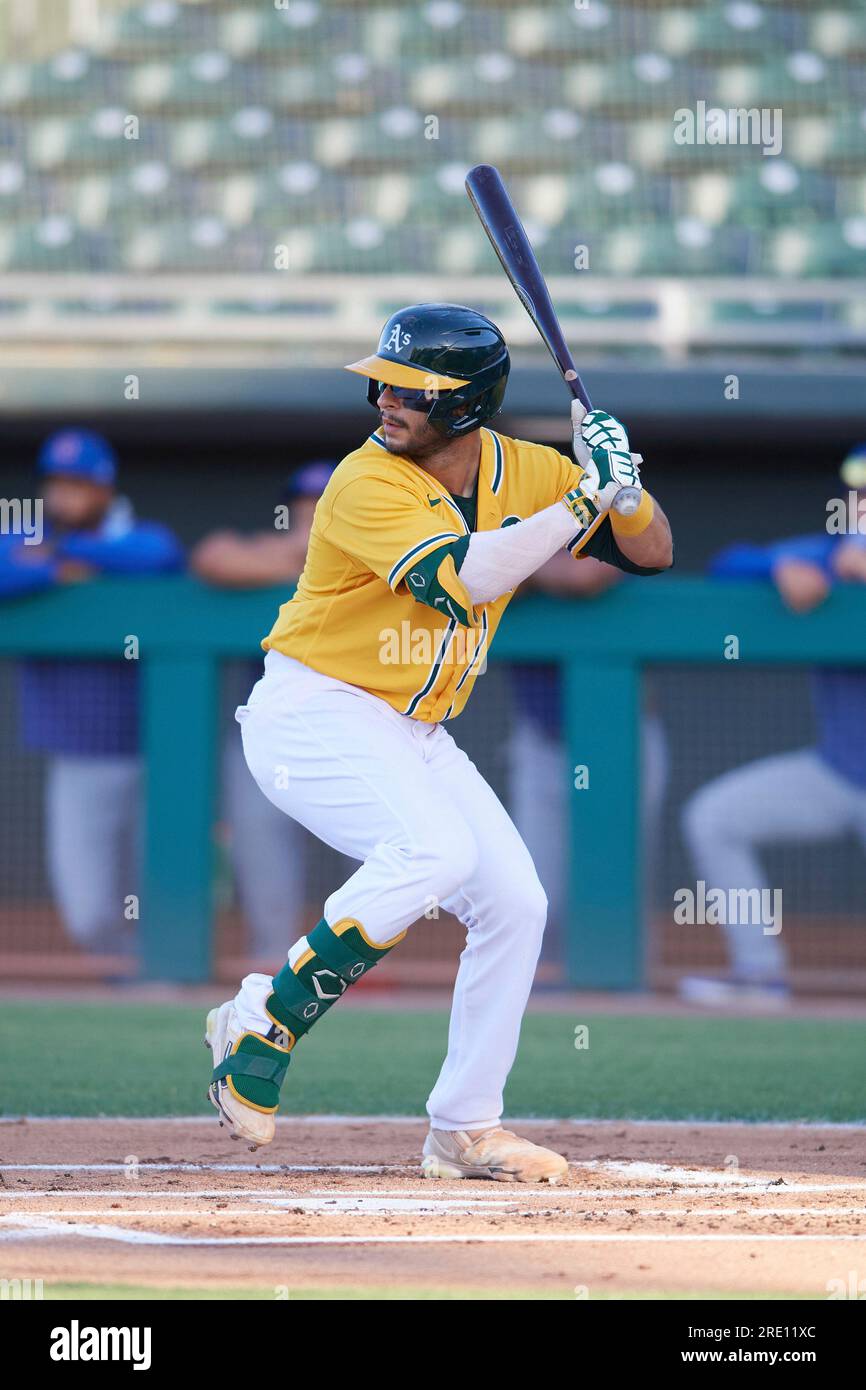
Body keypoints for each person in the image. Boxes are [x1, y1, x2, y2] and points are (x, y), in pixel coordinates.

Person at [205, 303, 672, 1182]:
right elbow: (467, 576)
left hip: (414, 730)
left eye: (414, 389)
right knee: (434, 852)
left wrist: (626, 487)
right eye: (384, 381)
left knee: (515, 904)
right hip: (316, 712)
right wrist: (583, 492)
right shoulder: (362, 480)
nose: (387, 398)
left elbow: (652, 553)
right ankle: (267, 1013)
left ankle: (464, 1126)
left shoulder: (522, 468)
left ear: (467, 404)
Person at [680, 444, 866, 1007]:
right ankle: (760, 975)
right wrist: (780, 567)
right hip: (840, 773)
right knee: (716, 817)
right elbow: (727, 562)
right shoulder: (827, 553)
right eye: (858, 494)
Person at [0, 428, 183, 962]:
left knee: (162, 896)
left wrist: (63, 556)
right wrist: (60, 565)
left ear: (104, 489)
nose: (66, 496)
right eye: (57, 484)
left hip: (158, 753)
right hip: (78, 754)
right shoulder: (26, 536)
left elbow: (158, 554)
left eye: (79, 484)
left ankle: (162, 991)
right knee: (89, 911)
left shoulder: (136, 535)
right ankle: (125, 985)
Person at [191, 462, 339, 960]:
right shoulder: (265, 549)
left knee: (372, 863)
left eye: (323, 501)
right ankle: (273, 968)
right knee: (262, 858)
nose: (312, 511)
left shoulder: (383, 550)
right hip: (266, 739)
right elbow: (212, 558)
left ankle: (366, 976)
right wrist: (302, 556)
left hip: (352, 734)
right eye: (304, 502)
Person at [507, 557, 669, 967]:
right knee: (535, 892)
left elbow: (589, 575)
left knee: (617, 891)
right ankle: (544, 1010)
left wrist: (523, 569)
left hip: (622, 740)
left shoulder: (602, 507)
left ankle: (625, 1008)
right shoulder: (502, 515)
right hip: (541, 740)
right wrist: (524, 566)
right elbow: (470, 571)